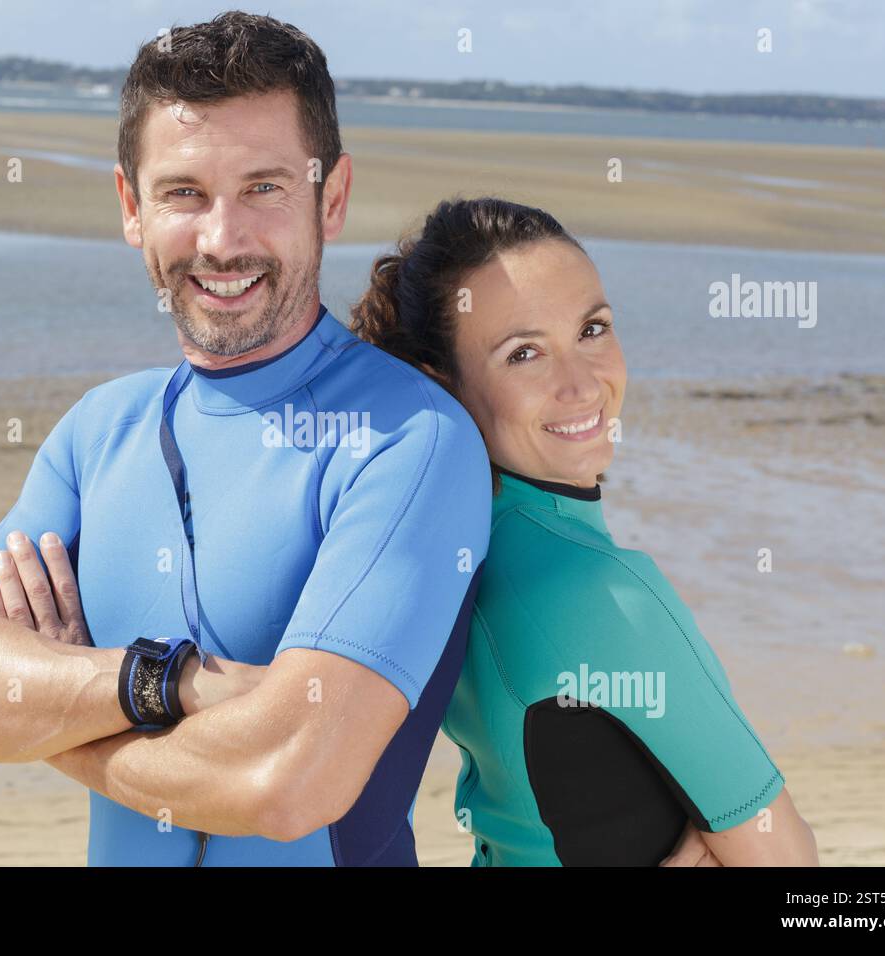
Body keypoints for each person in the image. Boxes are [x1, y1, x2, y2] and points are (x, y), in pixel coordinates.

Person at [0, 12, 494, 866]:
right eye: (184, 192)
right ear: (131, 207)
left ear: (330, 197)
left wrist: (51, 716)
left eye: (264, 187)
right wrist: (164, 681)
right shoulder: (100, 432)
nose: (223, 240)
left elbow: (292, 780)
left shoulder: (409, 442)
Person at [348, 197, 819, 866]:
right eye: (524, 354)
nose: (581, 386)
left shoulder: (446, 547)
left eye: (592, 330)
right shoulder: (598, 589)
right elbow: (789, 863)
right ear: (443, 386)